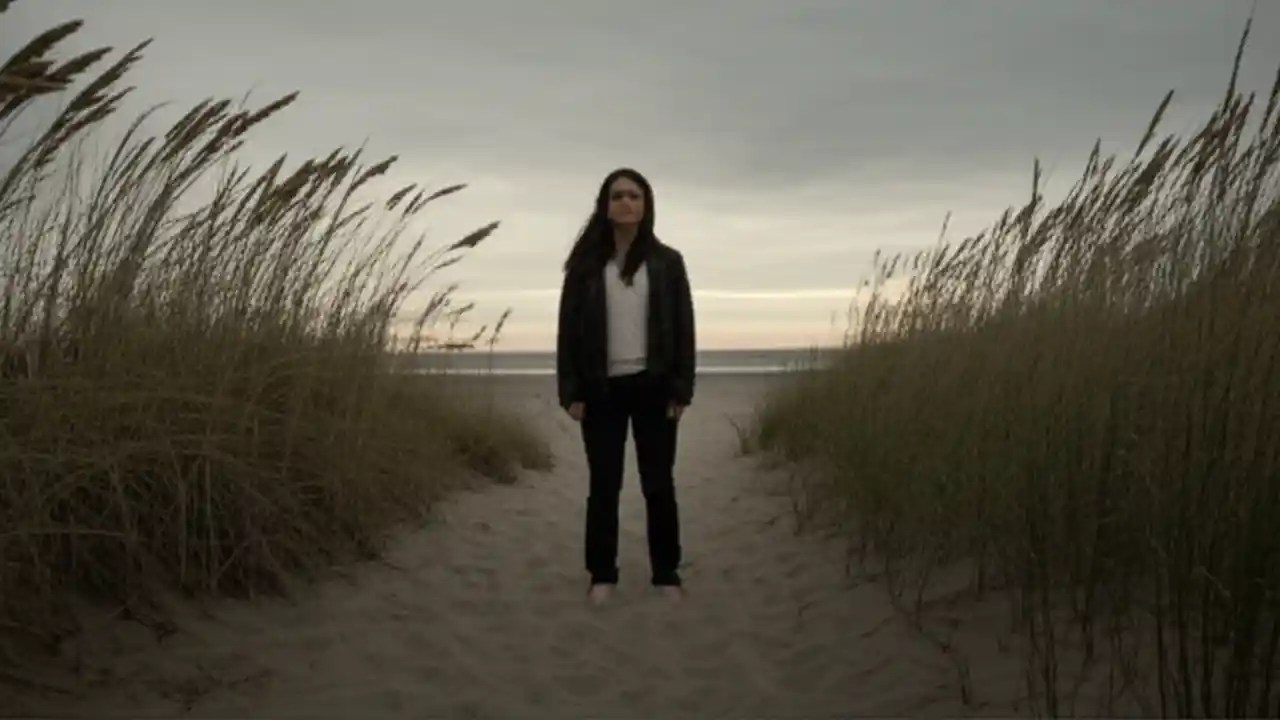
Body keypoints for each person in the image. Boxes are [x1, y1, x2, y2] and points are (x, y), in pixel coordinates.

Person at [556, 167, 696, 605]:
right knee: (604, 486)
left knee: (658, 483)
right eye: (617, 196)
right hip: (601, 390)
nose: (626, 203)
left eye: (634, 196)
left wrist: (681, 389)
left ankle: (666, 574)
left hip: (654, 387)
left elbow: (684, 329)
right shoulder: (585, 266)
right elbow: (568, 332)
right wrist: (571, 391)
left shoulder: (667, 262)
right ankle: (602, 574)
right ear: (605, 204)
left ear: (646, 204)